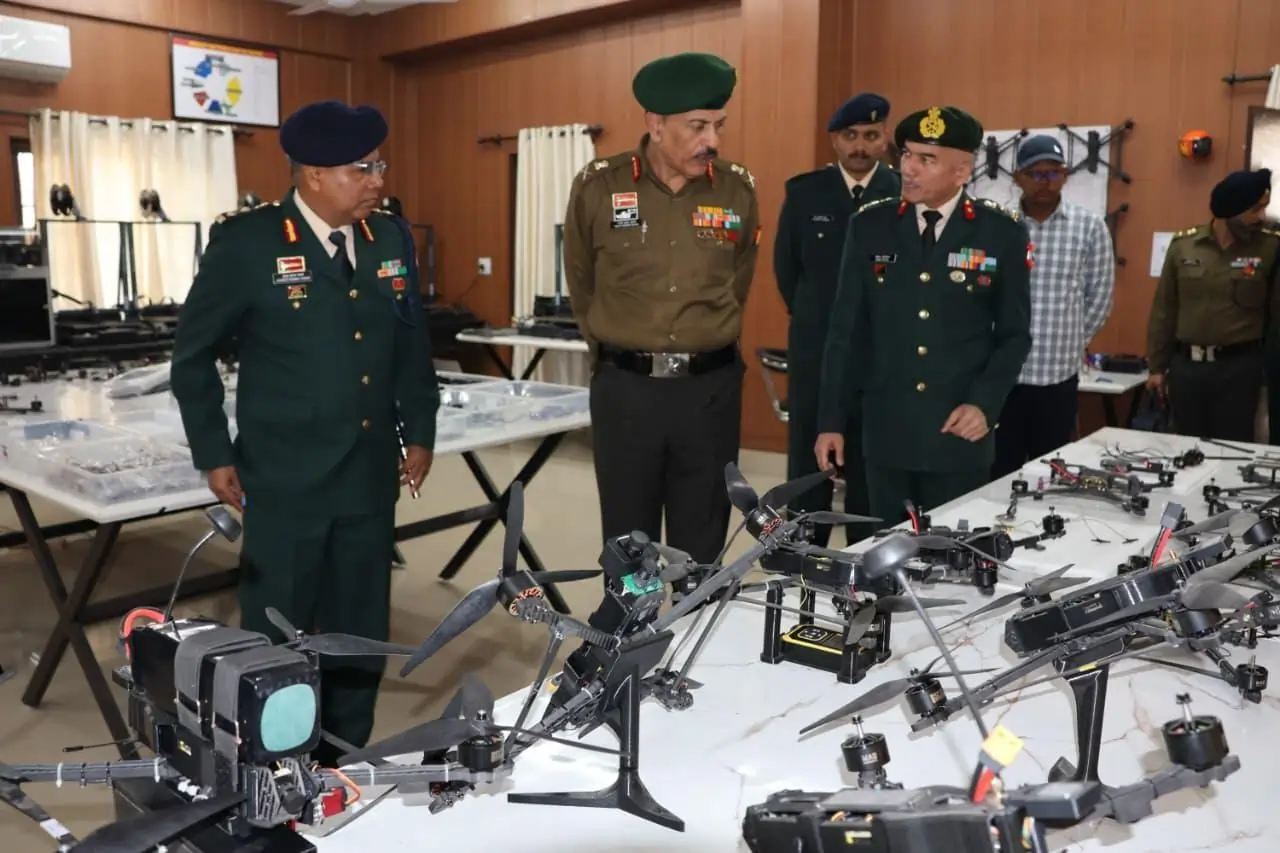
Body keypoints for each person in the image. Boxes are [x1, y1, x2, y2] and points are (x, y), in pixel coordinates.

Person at [170, 100, 440, 765]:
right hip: (283, 476)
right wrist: (213, 451)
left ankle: (342, 757)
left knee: (359, 629)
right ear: (314, 174)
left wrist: (420, 429)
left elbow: (410, 346)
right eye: (362, 169)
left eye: (379, 165)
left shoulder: (388, 238)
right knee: (275, 631)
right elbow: (193, 355)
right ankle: (268, 767)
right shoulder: (248, 243)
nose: (377, 179)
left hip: (367, 475)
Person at [563, 52, 760, 566]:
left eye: (718, 125)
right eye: (697, 126)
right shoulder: (599, 186)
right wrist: (620, 349)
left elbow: (738, 281)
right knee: (629, 542)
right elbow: (582, 282)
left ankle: (697, 618)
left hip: (709, 393)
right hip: (627, 392)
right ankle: (632, 621)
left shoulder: (736, 188)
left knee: (703, 538)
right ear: (655, 125)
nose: (712, 141)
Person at [814, 105, 1032, 524]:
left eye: (927, 159)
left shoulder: (1000, 233)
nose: (909, 168)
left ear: (962, 170)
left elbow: (1014, 335)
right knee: (883, 548)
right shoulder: (870, 226)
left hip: (957, 434)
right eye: (907, 155)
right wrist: (831, 421)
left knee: (952, 552)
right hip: (887, 433)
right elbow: (846, 332)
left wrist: (983, 405)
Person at [774, 93, 899, 545]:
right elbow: (787, 271)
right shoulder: (805, 193)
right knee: (809, 473)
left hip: (879, 355)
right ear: (834, 140)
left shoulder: (902, 193)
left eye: (871, 135)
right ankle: (805, 564)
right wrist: (818, 321)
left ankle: (867, 565)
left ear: (885, 139)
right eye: (850, 136)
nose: (860, 146)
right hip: (816, 354)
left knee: (871, 472)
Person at [992, 135, 1115, 477]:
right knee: (999, 471)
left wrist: (1070, 340)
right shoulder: (997, 225)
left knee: (1049, 473)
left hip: (1057, 377)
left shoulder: (1089, 226)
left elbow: (1100, 297)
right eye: (1035, 173)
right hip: (1002, 377)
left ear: (1065, 176)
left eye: (1053, 173)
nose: (1045, 181)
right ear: (1018, 177)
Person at [1147, 168, 1280, 442]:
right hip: (1187, 368)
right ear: (1231, 210)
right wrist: (1157, 367)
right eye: (1255, 209)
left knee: (1233, 447)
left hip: (1240, 368)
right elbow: (1164, 309)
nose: (1261, 217)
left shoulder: (1270, 247)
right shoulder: (1185, 245)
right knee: (1187, 446)